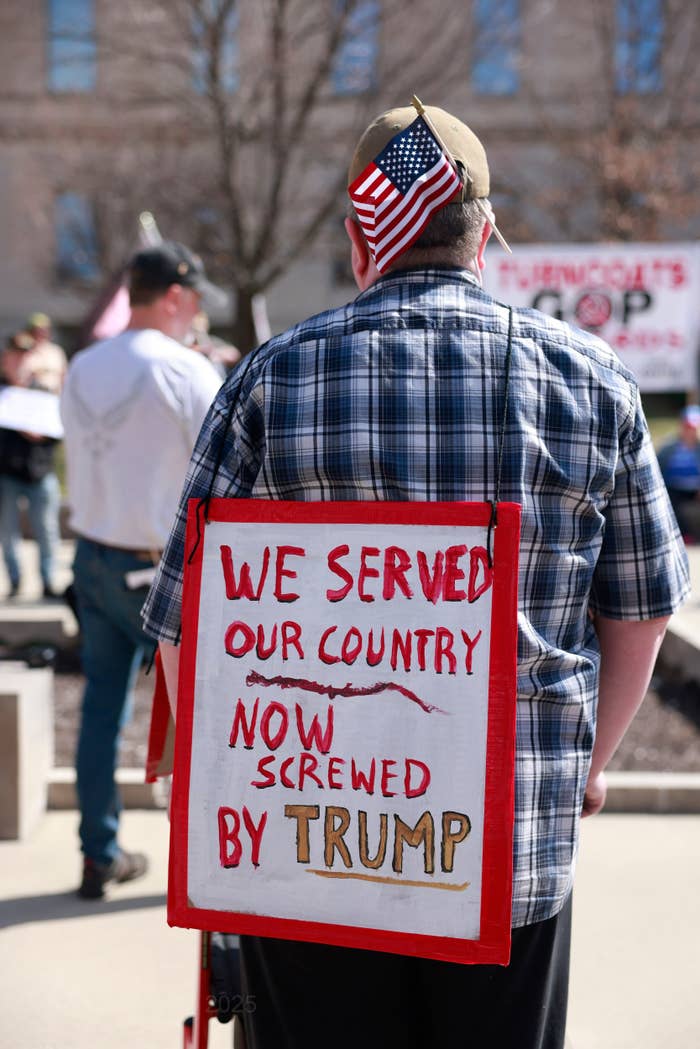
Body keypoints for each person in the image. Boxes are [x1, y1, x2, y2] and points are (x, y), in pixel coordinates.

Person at [140, 105, 689, 1048]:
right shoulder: (594, 380)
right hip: (511, 852)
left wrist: (237, 791)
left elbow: (189, 626)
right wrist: (587, 768)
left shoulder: (273, 377)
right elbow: (639, 611)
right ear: (485, 231)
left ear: (363, 235)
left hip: (306, 848)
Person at [60, 241, 226, 900]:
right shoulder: (186, 371)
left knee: (102, 711)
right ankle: (206, 854)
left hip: (93, 553)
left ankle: (97, 850)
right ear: (177, 298)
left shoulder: (81, 365)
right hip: (157, 568)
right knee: (201, 716)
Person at [0, 326, 67, 598]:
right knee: (8, 531)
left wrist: (38, 432)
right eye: (15, 356)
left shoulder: (43, 389)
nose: (20, 362)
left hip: (40, 470)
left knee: (47, 530)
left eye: (25, 356)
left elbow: (56, 429)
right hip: (6, 471)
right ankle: (15, 579)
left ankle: (49, 579)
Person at [656, 404, 700, 543]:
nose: (690, 432)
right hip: (673, 489)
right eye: (687, 427)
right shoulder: (669, 448)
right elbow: (658, 471)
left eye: (693, 428)